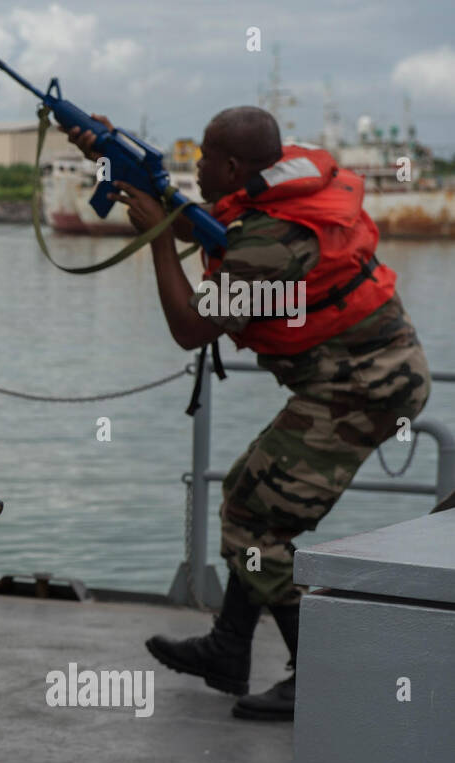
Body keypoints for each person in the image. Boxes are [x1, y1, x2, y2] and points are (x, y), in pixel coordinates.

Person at [65, 107, 430, 720]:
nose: (196, 167)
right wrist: (106, 156)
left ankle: (311, 674)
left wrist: (154, 235)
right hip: (362, 375)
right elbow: (204, 227)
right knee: (247, 496)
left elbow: (189, 328)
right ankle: (229, 649)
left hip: (364, 387)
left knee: (256, 524)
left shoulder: (269, 244)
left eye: (204, 159)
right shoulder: (270, 203)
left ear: (232, 166)